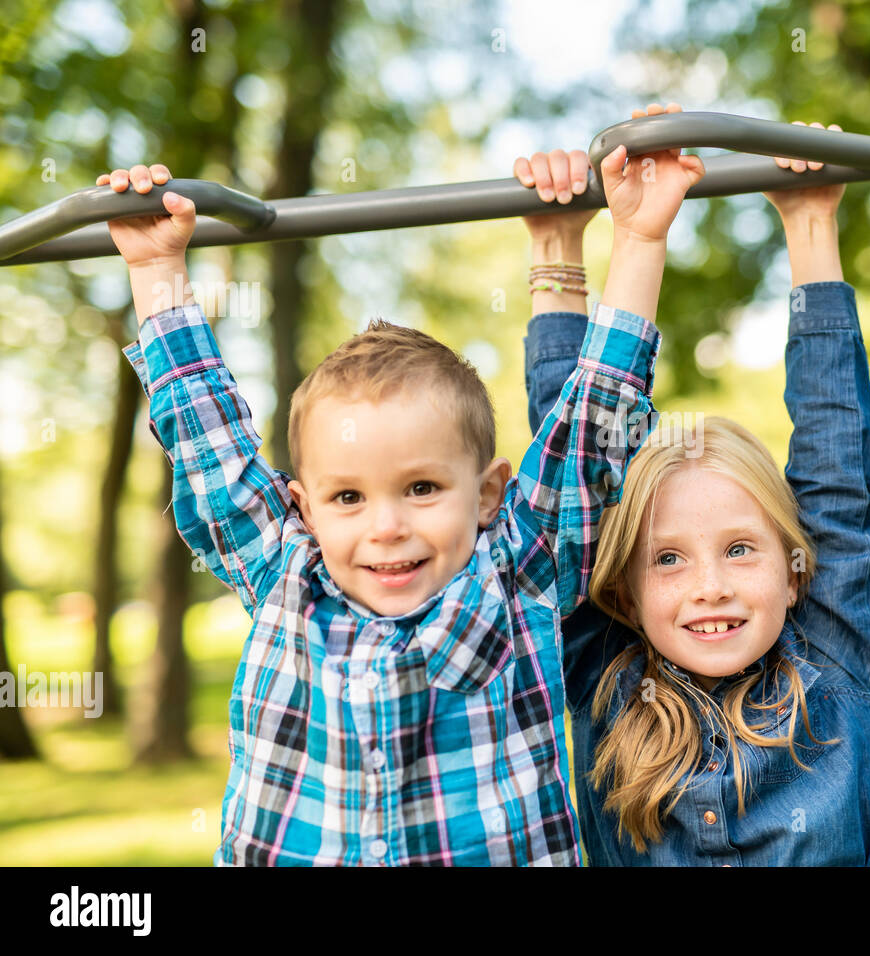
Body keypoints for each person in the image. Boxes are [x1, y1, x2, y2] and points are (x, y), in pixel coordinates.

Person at [96, 109, 701, 865]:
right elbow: (203, 437)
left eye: (420, 488)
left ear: (486, 496)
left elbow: (597, 416)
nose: (386, 527)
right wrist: (157, 272)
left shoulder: (519, 573)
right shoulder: (286, 572)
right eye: (348, 497)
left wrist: (640, 237)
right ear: (304, 505)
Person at [516, 106, 870, 865]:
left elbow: (837, 469)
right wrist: (558, 249)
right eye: (668, 558)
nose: (710, 586)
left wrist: (810, 224)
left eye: (742, 549)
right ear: (619, 589)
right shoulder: (603, 674)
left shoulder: (827, 659)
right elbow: (575, 478)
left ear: (796, 574)